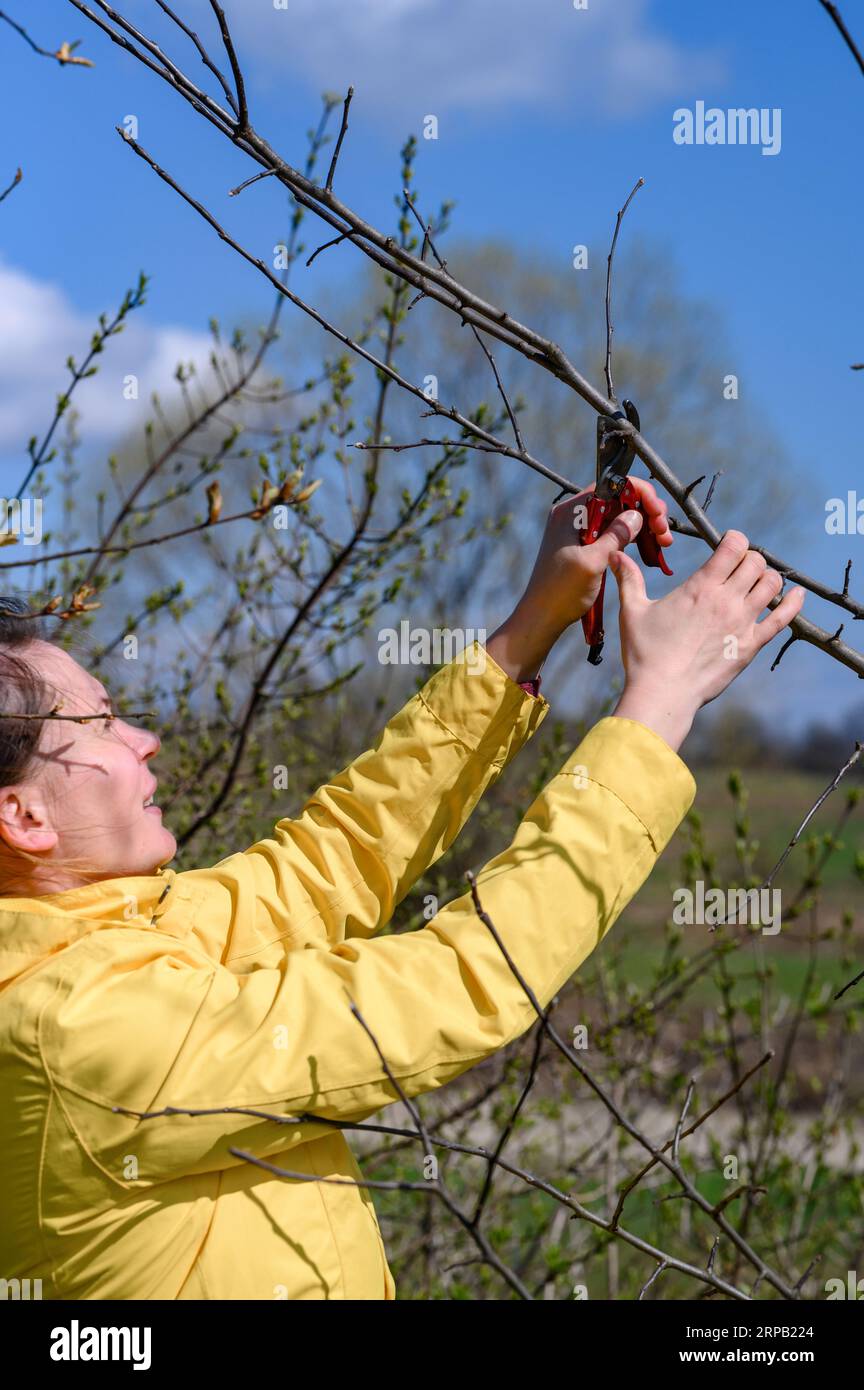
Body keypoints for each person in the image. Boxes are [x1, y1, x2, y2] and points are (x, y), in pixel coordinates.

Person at [0, 482, 804, 1300]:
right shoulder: (74, 1030)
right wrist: (658, 704)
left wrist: (532, 627)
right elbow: (460, 980)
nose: (144, 740)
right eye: (100, 726)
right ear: (22, 815)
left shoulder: (108, 937)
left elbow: (333, 861)